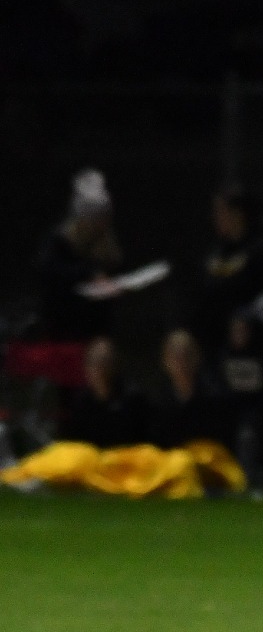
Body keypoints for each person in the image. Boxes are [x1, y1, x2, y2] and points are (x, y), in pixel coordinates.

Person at [188, 184, 263, 360]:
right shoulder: (215, 254)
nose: (215, 217)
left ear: (238, 214)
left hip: (250, 348)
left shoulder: (262, 253)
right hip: (212, 346)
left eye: (221, 211)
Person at [34, 169, 124, 343]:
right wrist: (88, 273)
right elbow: (47, 271)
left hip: (97, 327)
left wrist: (114, 285)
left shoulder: (104, 240)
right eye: (96, 219)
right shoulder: (59, 240)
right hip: (63, 324)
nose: (100, 224)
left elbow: (112, 269)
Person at [148, 329, 236, 449]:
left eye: (187, 355)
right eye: (175, 356)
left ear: (197, 357)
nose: (181, 362)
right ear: (165, 360)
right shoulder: (156, 401)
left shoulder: (215, 397)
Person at [60, 337, 142, 447]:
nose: (100, 369)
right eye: (95, 363)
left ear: (115, 365)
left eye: (105, 362)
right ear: (86, 368)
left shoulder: (132, 399)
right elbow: (74, 443)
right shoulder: (81, 402)